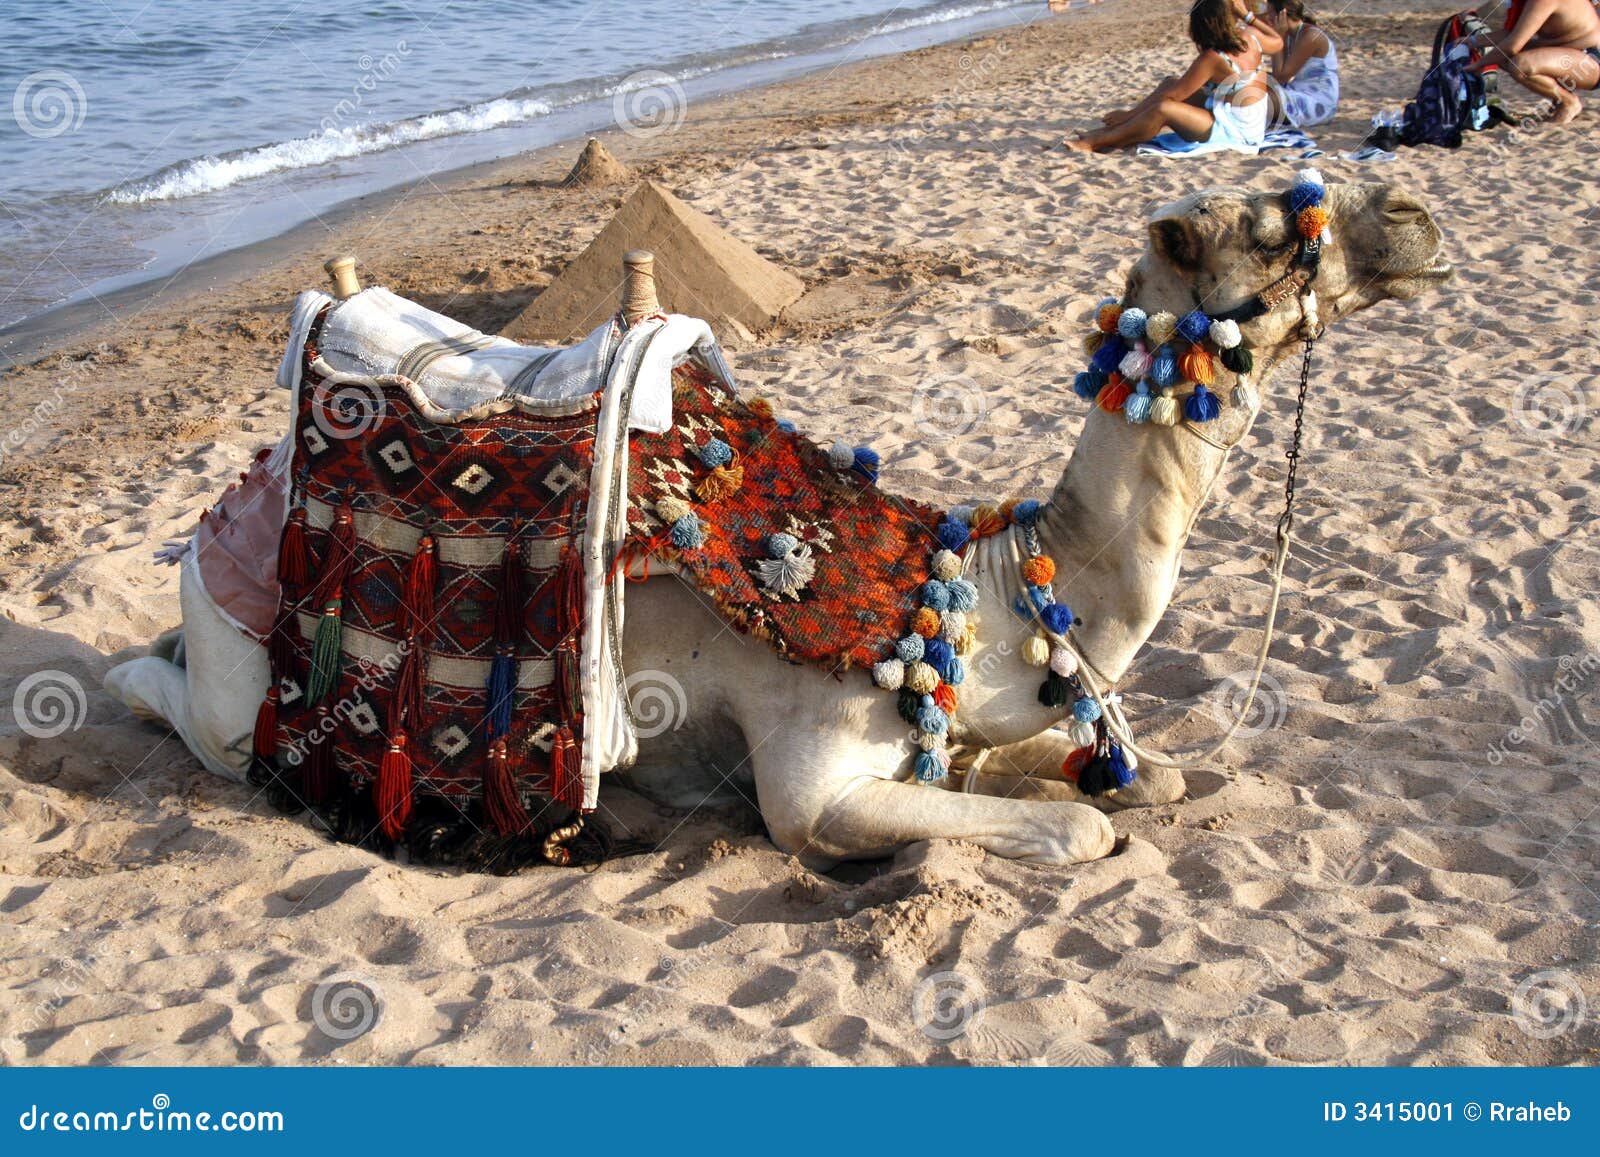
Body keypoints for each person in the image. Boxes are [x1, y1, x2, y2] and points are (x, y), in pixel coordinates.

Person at [1067, 0, 1284, 153]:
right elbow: (1278, 40)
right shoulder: (1250, 37)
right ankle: (1116, 131)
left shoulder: (1212, 59)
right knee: (1169, 83)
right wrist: (1247, 15)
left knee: (1164, 109)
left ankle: (1098, 141)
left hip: (1236, 132)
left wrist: (1129, 113)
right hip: (1245, 121)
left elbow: (1173, 97)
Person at [1467, 0, 1600, 124]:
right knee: (1501, 56)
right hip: (1568, 54)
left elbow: (1513, 45)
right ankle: (1560, 98)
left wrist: (1478, 64)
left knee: (1520, 64)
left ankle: (1569, 102)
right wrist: (1470, 42)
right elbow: (1511, 34)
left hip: (1589, 60)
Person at [1265, 1, 1341, 126]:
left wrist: (1278, 37)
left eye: (1270, 13)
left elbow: (1280, 77)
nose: (1268, 18)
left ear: (1283, 13)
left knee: (1256, 99)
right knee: (1249, 80)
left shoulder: (1310, 35)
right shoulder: (1290, 34)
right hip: (1296, 90)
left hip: (1318, 103)